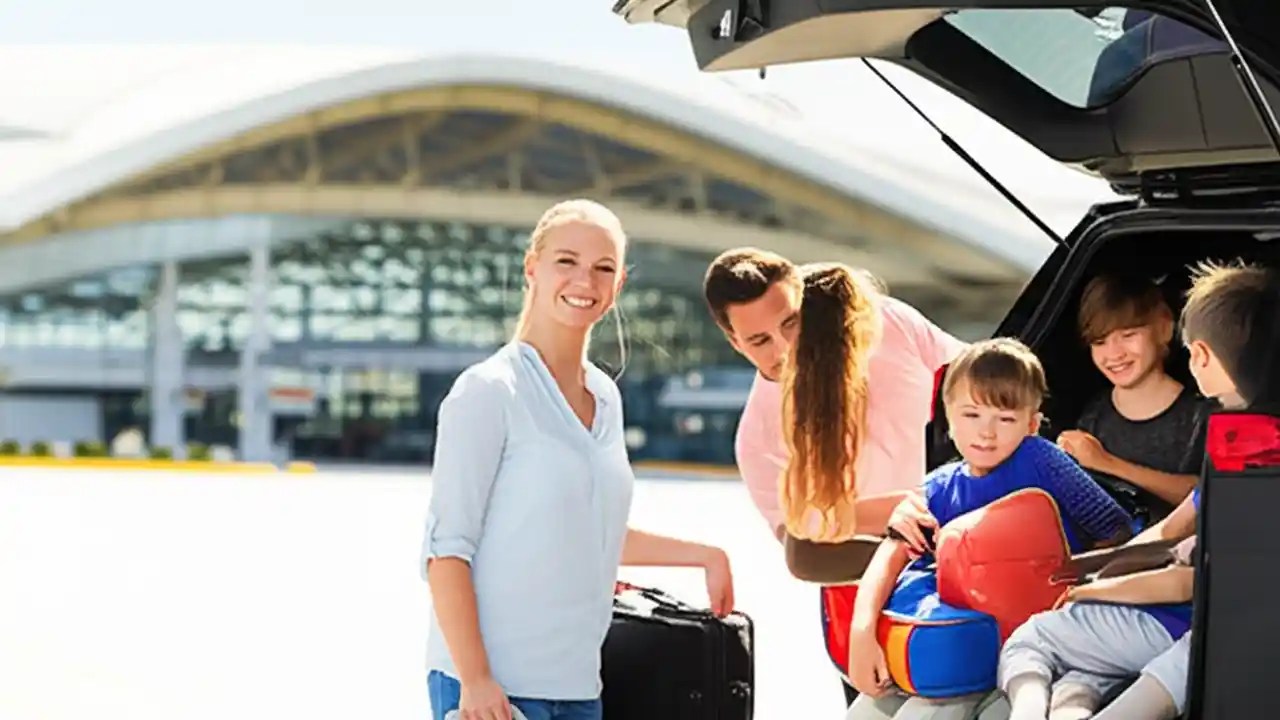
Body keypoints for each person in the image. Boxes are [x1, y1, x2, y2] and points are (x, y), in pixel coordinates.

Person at [421, 199, 735, 720]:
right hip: (491, 691)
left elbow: (589, 534)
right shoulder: (488, 391)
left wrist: (704, 554)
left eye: (603, 268)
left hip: (580, 689)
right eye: (566, 261)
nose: (584, 280)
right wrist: (476, 683)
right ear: (531, 269)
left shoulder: (606, 397)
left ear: (618, 287)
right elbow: (446, 552)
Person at [998, 260, 1280, 720]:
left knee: (1033, 640)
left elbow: (1193, 579)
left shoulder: (1237, 448)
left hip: (1192, 622)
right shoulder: (1250, 440)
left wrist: (1087, 590)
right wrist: (1101, 568)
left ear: (1200, 354)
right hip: (1213, 623)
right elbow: (1175, 528)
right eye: (1099, 341)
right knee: (1083, 676)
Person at [846, 338, 1131, 720]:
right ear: (947, 416)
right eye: (972, 415)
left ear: (1032, 424)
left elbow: (1117, 532)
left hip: (1041, 643)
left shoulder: (1041, 460)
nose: (987, 432)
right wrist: (861, 634)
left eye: (1006, 419)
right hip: (966, 645)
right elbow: (890, 555)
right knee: (865, 712)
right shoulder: (940, 487)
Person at [703, 250, 964, 544]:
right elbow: (801, 543)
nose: (784, 349)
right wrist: (914, 506)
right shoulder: (757, 441)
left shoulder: (890, 321)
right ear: (735, 342)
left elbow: (983, 377)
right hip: (873, 581)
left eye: (790, 323)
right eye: (760, 340)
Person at [1056, 273, 1210, 519]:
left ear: (1164, 328)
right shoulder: (1095, 414)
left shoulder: (1200, 416)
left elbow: (1211, 494)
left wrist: (1106, 463)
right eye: (1100, 342)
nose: (1113, 353)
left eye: (1128, 335)